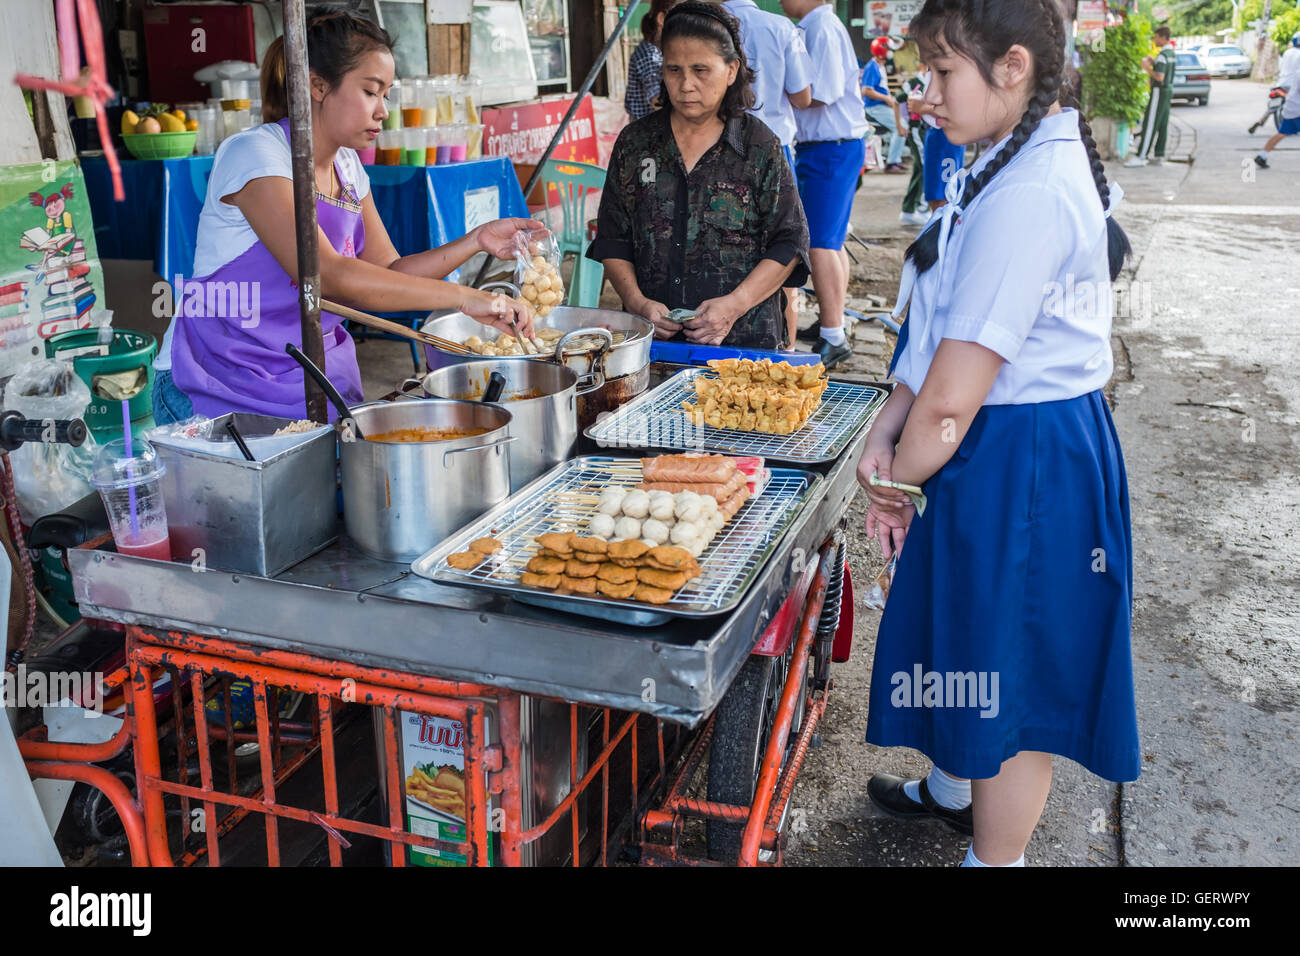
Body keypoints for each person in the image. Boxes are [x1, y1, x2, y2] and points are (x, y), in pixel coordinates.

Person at [856, 0, 1138, 867]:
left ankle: (996, 860)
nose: (924, 97)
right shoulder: (999, 157)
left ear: (1013, 67)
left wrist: (897, 472)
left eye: (942, 74)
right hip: (986, 437)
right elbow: (940, 324)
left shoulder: (1032, 192)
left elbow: (954, 397)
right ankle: (952, 791)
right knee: (967, 628)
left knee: (1010, 676)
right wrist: (891, 423)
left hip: (1025, 459)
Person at [153, 8, 539, 424]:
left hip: (309, 381)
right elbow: (330, 276)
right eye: (371, 91)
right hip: (218, 385)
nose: (383, 111)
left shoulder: (349, 168)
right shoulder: (257, 156)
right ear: (318, 86)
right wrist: (467, 299)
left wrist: (475, 240)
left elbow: (389, 270)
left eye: (386, 94)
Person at [587, 2, 810, 350]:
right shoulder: (636, 143)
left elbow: (790, 243)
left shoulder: (758, 146)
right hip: (652, 346)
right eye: (674, 69)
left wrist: (734, 305)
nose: (686, 84)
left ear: (732, 70)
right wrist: (636, 301)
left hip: (742, 348)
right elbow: (614, 238)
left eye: (701, 70)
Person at [781, 0, 868, 369]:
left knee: (818, 244)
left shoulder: (822, 28)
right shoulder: (819, 25)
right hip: (831, 147)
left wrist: (780, 92)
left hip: (830, 147)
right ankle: (834, 322)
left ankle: (834, 336)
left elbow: (820, 93)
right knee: (830, 241)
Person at [722, 0, 813, 347]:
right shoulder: (779, 27)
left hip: (719, 145)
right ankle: (785, 349)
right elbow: (803, 96)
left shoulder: (706, 23)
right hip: (774, 143)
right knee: (781, 253)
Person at [625, 0, 686, 120]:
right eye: (681, 18)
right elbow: (658, 102)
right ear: (662, 19)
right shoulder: (649, 55)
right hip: (645, 129)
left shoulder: (661, 52)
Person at [1125, 25, 1175, 167]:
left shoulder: (1162, 56)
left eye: (1156, 37)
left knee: (1150, 123)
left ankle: (1142, 155)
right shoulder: (1171, 54)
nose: (1154, 40)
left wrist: (1147, 68)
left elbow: (1159, 77)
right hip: (1168, 91)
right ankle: (1159, 154)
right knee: (1163, 124)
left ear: (1163, 37)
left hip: (1159, 91)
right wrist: (1153, 63)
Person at [863, 37, 907, 172]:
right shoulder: (872, 66)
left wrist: (889, 97)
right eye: (888, 48)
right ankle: (892, 162)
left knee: (902, 127)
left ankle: (894, 159)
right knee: (901, 127)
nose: (890, 51)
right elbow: (866, 90)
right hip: (874, 108)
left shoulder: (879, 66)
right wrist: (886, 99)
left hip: (881, 106)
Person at [1249, 32, 1300, 134]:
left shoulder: (1287, 52)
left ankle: (1261, 120)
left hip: (1281, 83)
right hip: (1293, 84)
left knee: (1273, 105)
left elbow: (1281, 66)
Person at [1253, 78, 1300, 168]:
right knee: (1282, 133)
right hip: (1297, 110)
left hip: (1291, 109)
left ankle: (1262, 156)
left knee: (1282, 133)